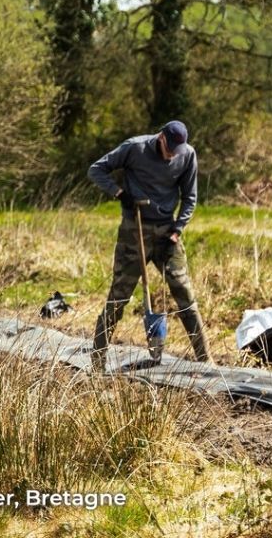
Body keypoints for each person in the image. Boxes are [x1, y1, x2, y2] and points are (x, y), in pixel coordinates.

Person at [87, 120, 209, 370]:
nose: (172, 154)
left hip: (167, 234)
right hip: (135, 231)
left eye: (177, 149)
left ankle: (206, 360)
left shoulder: (187, 154)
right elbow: (96, 170)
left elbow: (190, 198)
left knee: (185, 295)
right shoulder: (135, 148)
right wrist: (120, 193)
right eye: (170, 148)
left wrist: (176, 231)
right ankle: (97, 361)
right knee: (118, 298)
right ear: (161, 138)